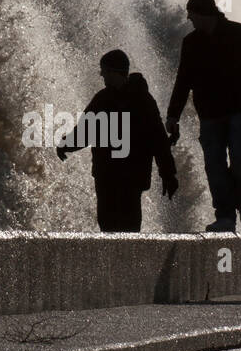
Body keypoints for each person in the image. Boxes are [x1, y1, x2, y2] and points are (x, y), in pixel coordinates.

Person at [165, 0, 241, 232]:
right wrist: (172, 115)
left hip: (239, 108)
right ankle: (225, 215)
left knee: (240, 157)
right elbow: (183, 80)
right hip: (209, 113)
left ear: (204, 13)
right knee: (214, 164)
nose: (190, 20)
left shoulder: (240, 33)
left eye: (192, 15)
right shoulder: (192, 42)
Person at [57, 49, 178, 232]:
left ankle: (130, 261)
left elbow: (158, 140)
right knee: (107, 227)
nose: (102, 75)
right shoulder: (102, 98)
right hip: (106, 175)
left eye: (104, 71)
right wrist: (66, 145)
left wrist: (168, 174)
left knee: (129, 229)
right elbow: (85, 130)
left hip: (132, 177)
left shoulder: (142, 100)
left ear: (114, 72)